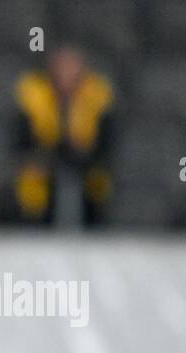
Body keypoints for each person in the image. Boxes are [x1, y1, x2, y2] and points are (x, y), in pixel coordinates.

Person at [12, 47, 115, 226]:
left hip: (89, 183)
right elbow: (22, 145)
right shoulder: (34, 97)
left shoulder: (97, 97)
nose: (67, 74)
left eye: (72, 68)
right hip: (40, 185)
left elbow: (107, 148)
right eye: (62, 67)